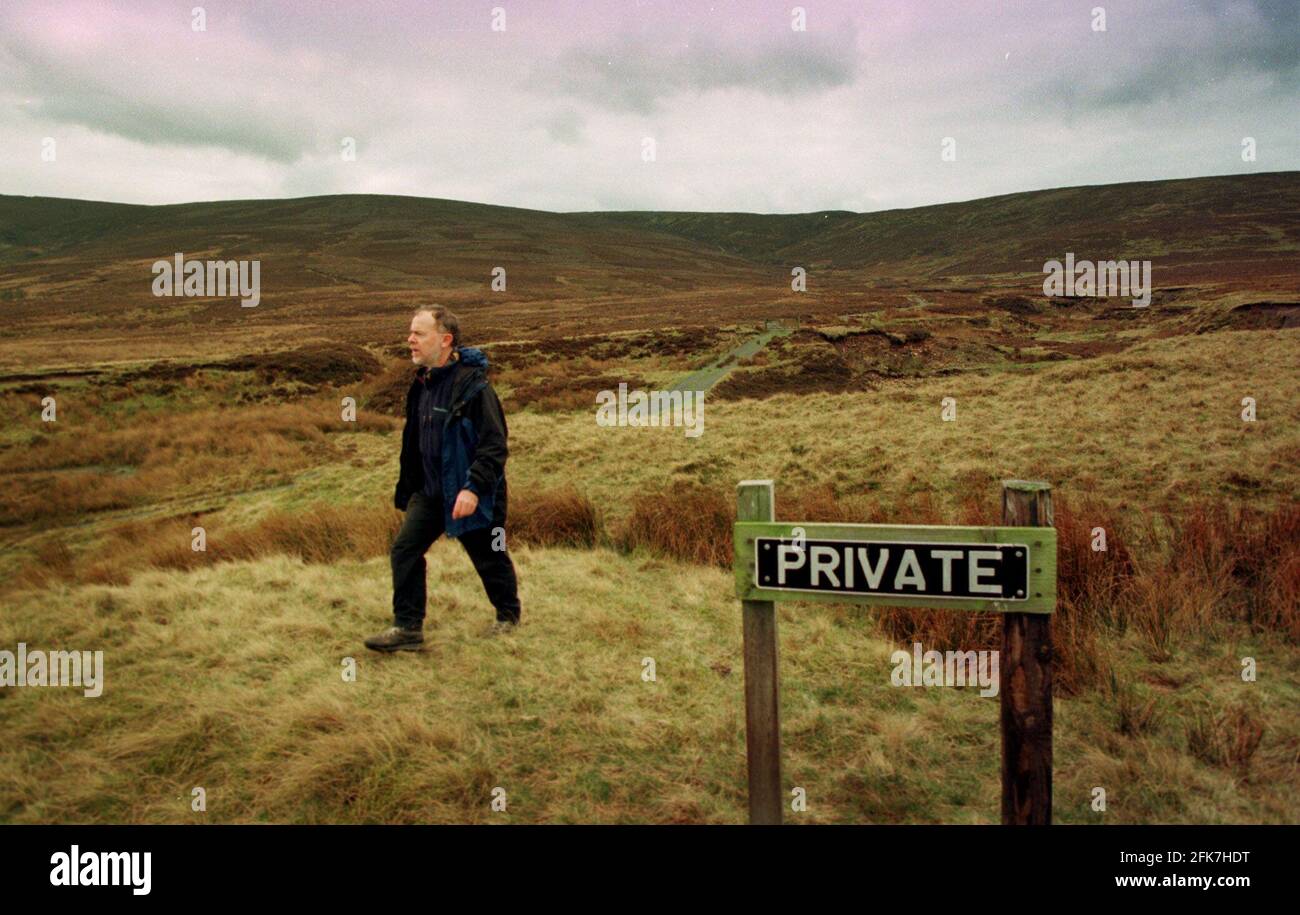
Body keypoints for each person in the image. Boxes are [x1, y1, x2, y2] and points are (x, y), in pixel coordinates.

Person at [365, 306, 521, 651]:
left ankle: (508, 616)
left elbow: (494, 446)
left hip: (470, 494)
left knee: (489, 556)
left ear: (445, 340)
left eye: (419, 333)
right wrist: (410, 487)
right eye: (410, 332)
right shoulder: (421, 383)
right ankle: (408, 629)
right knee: (405, 550)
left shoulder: (475, 389)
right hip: (431, 492)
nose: (410, 340)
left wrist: (474, 487)